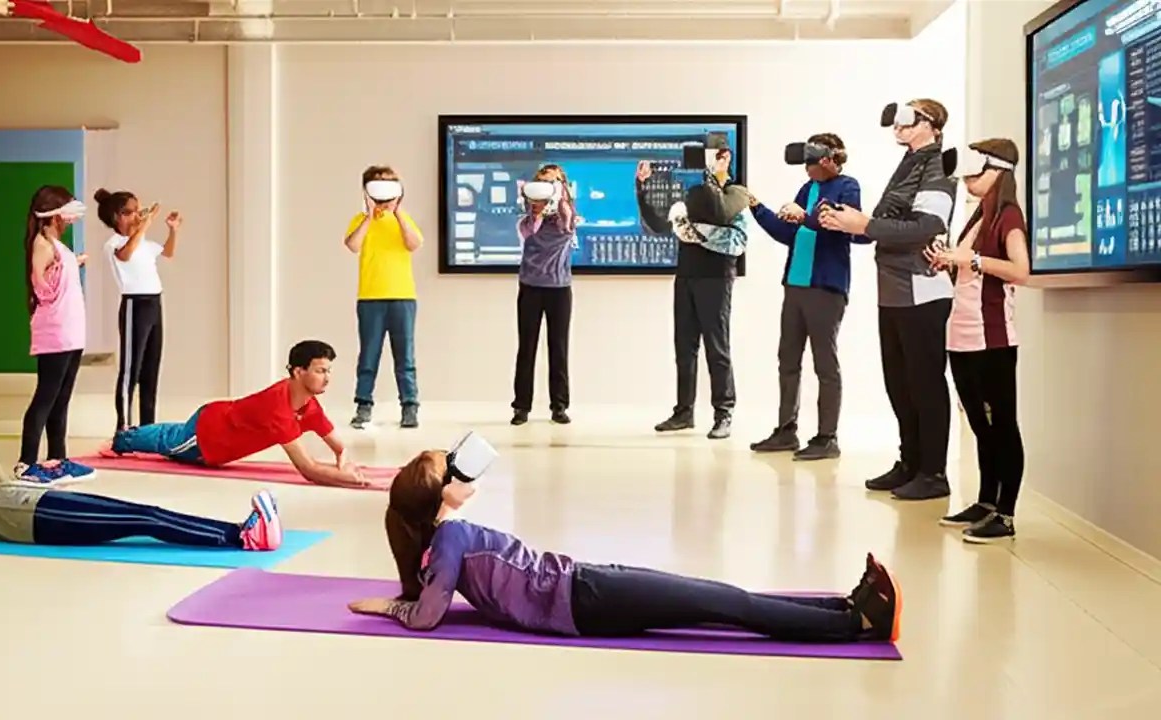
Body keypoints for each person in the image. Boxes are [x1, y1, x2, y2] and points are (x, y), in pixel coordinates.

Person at [346, 450, 902, 644]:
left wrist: (402, 597)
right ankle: (856, 623)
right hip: (584, 602)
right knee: (720, 603)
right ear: (444, 493)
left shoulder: (446, 539)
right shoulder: (449, 541)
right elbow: (427, 616)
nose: (465, 469)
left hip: (585, 582)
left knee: (718, 597)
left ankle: (841, 608)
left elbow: (431, 598)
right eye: (452, 467)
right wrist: (393, 607)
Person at [820, 99, 958, 501]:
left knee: (925, 384)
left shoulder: (939, 164)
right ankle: (910, 463)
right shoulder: (910, 161)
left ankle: (933, 473)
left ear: (930, 125)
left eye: (908, 118)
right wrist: (850, 225)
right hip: (893, 292)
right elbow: (887, 225)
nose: (897, 125)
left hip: (921, 291)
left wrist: (866, 224)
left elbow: (928, 225)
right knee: (899, 383)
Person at [0, 422, 282, 551]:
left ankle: (241, 532)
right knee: (144, 521)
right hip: (38, 520)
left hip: (38, 504)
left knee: (146, 513)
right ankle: (242, 538)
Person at [928, 139, 1029, 542]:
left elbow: (1020, 270)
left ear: (998, 171)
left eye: (976, 170)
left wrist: (969, 260)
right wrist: (945, 259)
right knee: (978, 424)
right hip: (963, 335)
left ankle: (1005, 514)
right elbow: (969, 271)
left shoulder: (1008, 215)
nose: (968, 178)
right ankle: (987, 502)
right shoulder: (977, 217)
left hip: (994, 339)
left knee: (1001, 424)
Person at [100, 340, 373, 488]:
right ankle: (123, 439)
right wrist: (346, 479)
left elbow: (339, 446)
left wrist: (343, 461)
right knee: (168, 442)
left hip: (220, 436)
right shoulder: (278, 408)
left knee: (171, 437)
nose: (327, 378)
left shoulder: (309, 406)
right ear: (298, 372)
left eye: (329, 371)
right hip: (208, 434)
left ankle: (134, 434)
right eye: (320, 371)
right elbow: (308, 469)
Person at [746, 134, 864, 461]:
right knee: (788, 360)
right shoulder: (807, 188)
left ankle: (827, 437)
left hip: (826, 287)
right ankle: (786, 431)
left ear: (829, 159)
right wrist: (757, 208)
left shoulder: (847, 186)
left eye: (812, 161)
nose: (807, 168)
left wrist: (805, 217)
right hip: (795, 285)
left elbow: (845, 226)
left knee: (825, 364)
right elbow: (790, 233)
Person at [636, 142, 749, 440]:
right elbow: (659, 225)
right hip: (686, 276)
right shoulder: (693, 194)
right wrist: (641, 188)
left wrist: (716, 175)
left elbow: (720, 212)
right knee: (684, 348)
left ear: (726, 159)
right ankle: (684, 412)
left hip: (716, 279)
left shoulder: (736, 194)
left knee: (717, 348)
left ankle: (723, 413)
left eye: (716, 156)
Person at [17, 185, 96, 486]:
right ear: (53, 213)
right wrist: (51, 272)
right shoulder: (42, 243)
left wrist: (73, 263)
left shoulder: (56, 245)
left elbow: (58, 271)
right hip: (56, 336)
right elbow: (41, 280)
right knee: (45, 399)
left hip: (72, 334)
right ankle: (26, 463)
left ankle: (58, 460)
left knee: (61, 401)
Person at [94, 188, 182, 433]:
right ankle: (123, 426)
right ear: (116, 217)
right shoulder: (116, 243)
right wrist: (145, 224)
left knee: (151, 368)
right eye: (129, 212)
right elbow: (125, 255)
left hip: (154, 304)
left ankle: (147, 426)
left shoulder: (143, 242)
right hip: (135, 305)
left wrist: (172, 229)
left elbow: (168, 252)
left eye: (137, 211)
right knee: (131, 368)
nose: (135, 216)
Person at [343, 165, 423, 430]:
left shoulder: (404, 219)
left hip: (403, 297)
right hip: (370, 297)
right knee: (369, 355)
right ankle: (363, 406)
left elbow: (413, 244)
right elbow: (353, 245)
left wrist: (397, 211)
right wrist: (368, 214)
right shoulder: (359, 220)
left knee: (405, 357)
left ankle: (409, 407)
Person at [511, 164, 576, 426]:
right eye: (544, 182)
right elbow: (530, 231)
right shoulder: (529, 218)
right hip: (530, 287)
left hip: (559, 289)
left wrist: (559, 195)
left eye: (554, 182)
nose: (548, 186)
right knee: (526, 348)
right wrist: (536, 206)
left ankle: (559, 406)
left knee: (558, 349)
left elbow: (567, 223)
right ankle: (521, 407)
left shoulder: (566, 213)